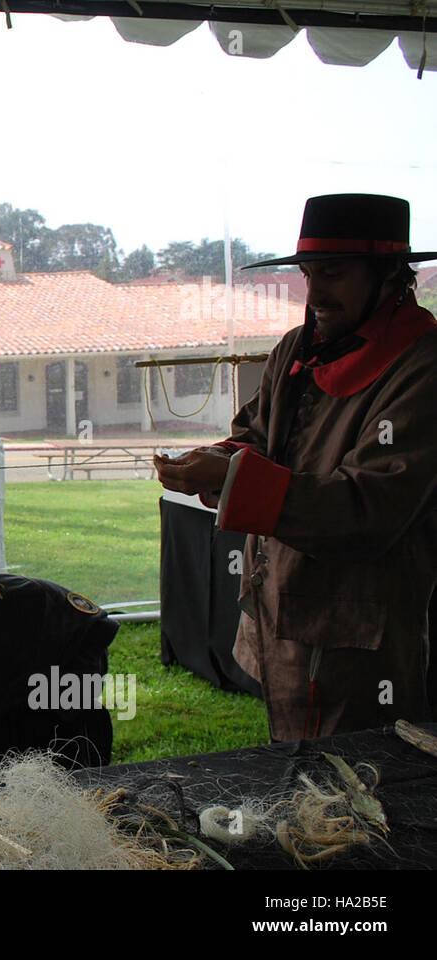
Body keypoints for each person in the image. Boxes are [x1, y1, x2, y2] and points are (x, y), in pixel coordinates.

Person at [154, 194, 437, 742]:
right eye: (308, 274)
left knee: (362, 771)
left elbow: (368, 510)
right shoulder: (297, 348)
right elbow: (256, 435)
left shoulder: (421, 366)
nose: (315, 293)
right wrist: (216, 460)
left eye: (333, 273)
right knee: (292, 762)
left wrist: (231, 479)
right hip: (281, 606)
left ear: (388, 275)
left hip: (362, 632)